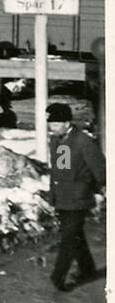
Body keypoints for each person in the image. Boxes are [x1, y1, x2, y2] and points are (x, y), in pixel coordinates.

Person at [46, 103, 106, 292]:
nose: (51, 127)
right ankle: (88, 270)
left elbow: (100, 169)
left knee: (69, 238)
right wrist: (53, 195)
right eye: (50, 124)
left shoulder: (83, 142)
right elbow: (57, 170)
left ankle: (58, 277)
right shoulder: (55, 141)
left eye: (55, 124)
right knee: (76, 235)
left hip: (79, 198)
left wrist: (98, 190)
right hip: (62, 197)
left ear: (66, 122)